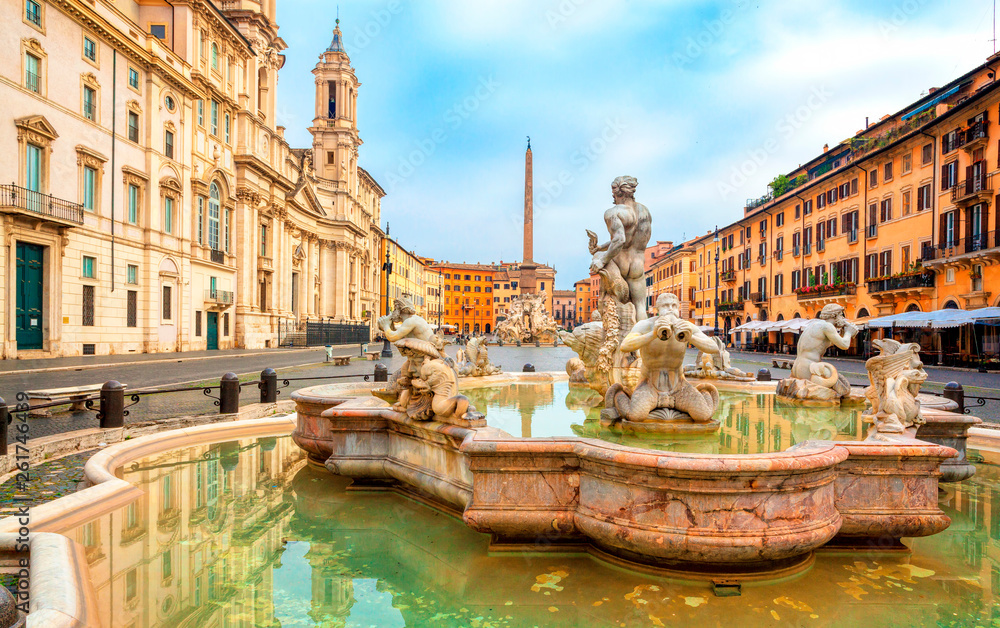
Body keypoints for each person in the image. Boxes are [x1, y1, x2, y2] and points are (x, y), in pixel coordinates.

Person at [587, 176, 652, 320]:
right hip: (637, 265)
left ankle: (612, 339)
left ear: (616, 193)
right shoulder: (645, 212)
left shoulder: (613, 212)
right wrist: (600, 247)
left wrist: (602, 258)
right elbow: (627, 239)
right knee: (640, 307)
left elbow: (620, 240)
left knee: (609, 306)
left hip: (620, 263)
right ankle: (640, 341)